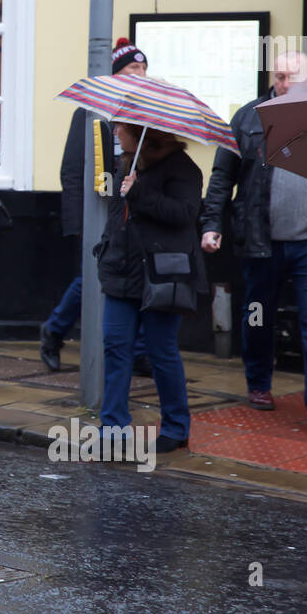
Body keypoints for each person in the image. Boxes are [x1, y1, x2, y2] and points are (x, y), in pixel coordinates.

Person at [200, 51, 307, 437]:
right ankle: (258, 383)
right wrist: (212, 223)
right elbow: (222, 177)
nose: (284, 84)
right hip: (261, 242)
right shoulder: (248, 117)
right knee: (258, 315)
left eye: (292, 77)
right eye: (279, 77)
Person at [95, 123, 207, 453]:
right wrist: (106, 248)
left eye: (120, 129)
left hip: (162, 275)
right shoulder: (123, 164)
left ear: (141, 132)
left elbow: (184, 214)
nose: (115, 133)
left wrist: (140, 192)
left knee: (161, 352)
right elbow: (117, 217)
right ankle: (112, 426)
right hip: (121, 271)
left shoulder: (183, 169)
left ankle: (176, 426)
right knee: (116, 349)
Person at [41, 38, 150, 375]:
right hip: (100, 213)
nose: (142, 75)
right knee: (91, 279)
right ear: (117, 73)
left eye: (145, 69)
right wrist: (77, 222)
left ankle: (140, 350)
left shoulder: (146, 115)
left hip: (136, 212)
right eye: (134, 68)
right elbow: (73, 169)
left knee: (142, 276)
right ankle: (54, 332)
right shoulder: (90, 113)